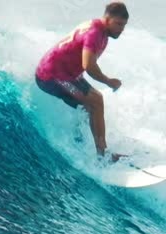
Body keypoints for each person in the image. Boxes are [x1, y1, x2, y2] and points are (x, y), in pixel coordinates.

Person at [35, 3, 129, 158]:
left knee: (90, 107)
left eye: (124, 25)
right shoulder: (95, 33)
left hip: (67, 74)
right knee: (97, 100)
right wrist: (108, 81)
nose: (121, 29)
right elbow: (89, 66)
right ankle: (103, 155)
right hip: (52, 76)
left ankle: (80, 143)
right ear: (107, 18)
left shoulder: (99, 29)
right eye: (118, 24)